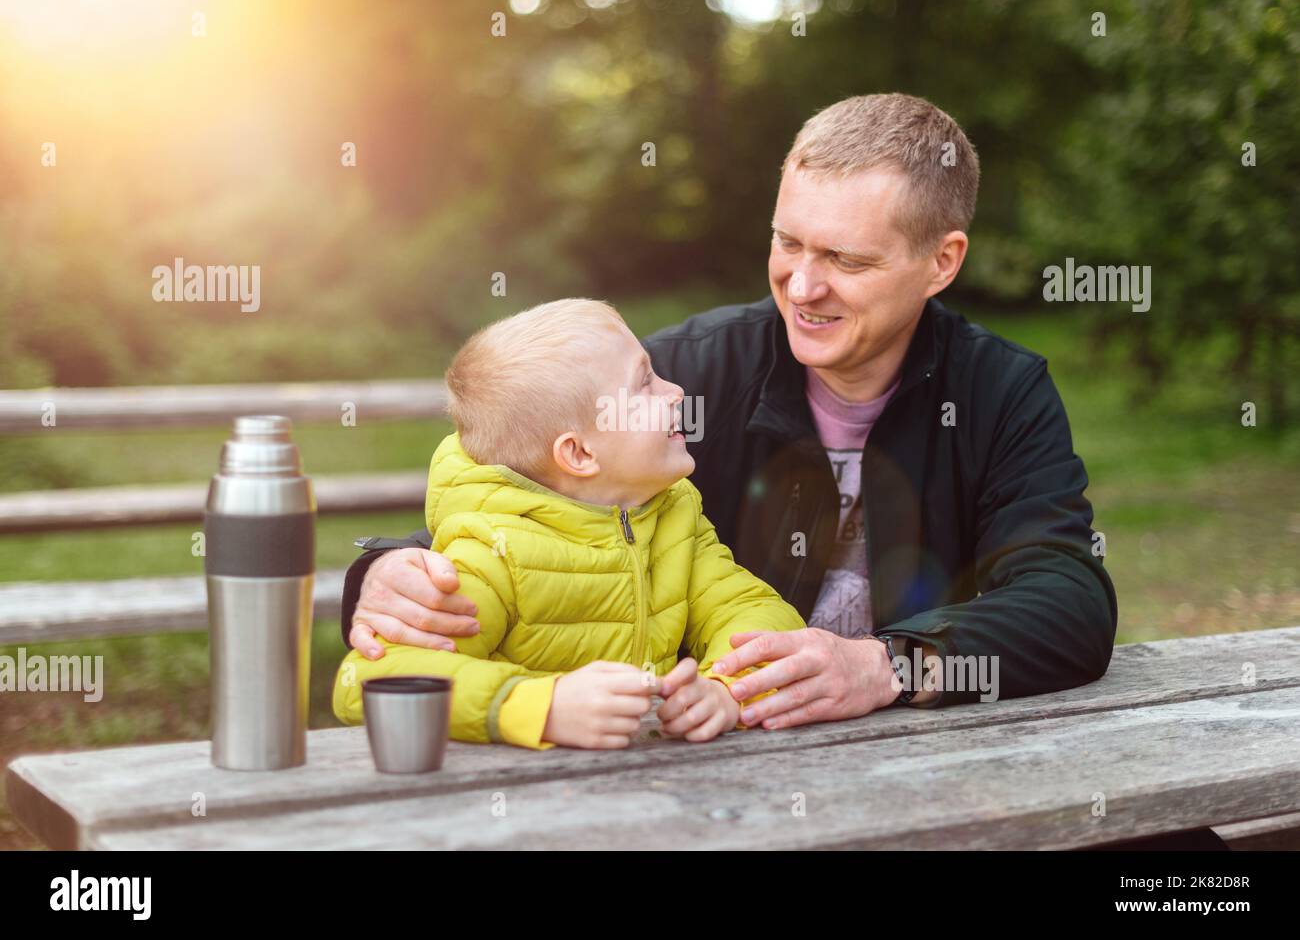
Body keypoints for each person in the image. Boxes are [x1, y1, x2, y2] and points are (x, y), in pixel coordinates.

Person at [340, 92, 1118, 724]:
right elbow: (520, 502)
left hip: (932, 763)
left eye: (845, 258)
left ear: (941, 261)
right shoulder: (690, 370)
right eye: (789, 243)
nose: (803, 287)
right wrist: (381, 573)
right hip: (716, 777)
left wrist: (886, 665)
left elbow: (1069, 601)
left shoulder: (1000, 390)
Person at [331, 298, 806, 749]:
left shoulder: (671, 514)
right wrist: (540, 706)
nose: (676, 391)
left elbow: (752, 612)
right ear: (579, 453)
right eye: (645, 383)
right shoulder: (494, 550)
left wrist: (726, 689)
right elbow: (367, 681)